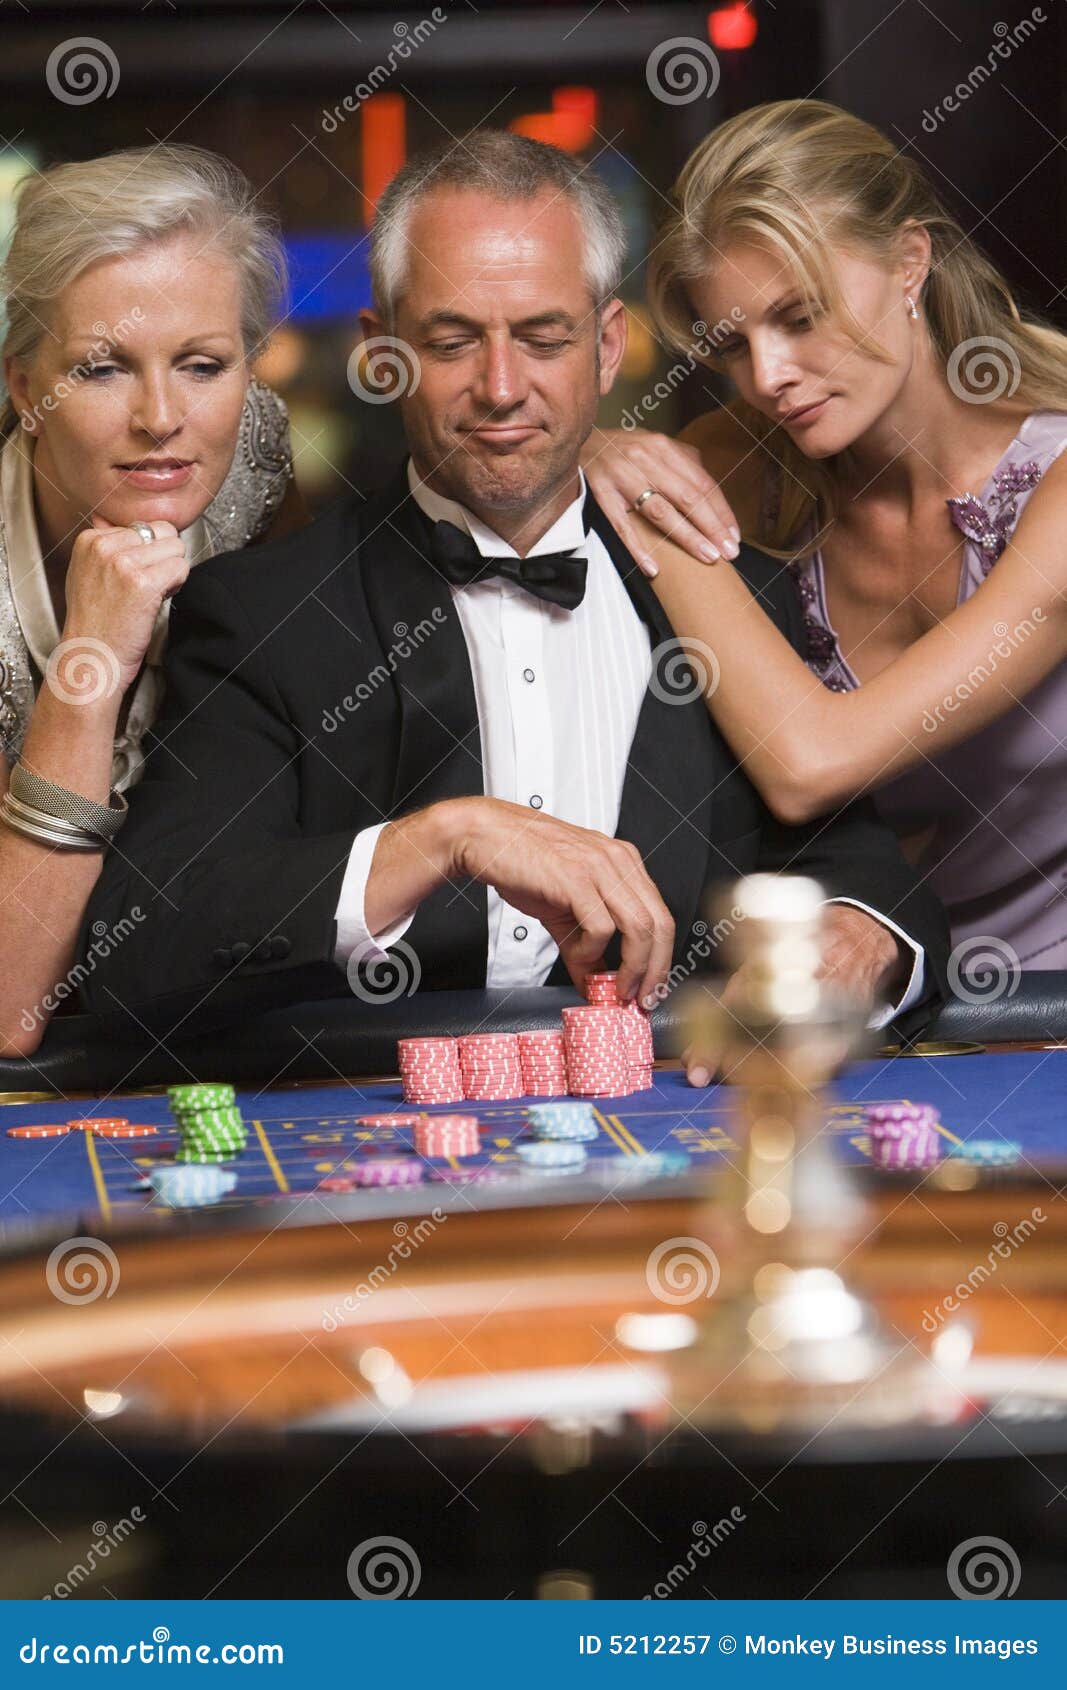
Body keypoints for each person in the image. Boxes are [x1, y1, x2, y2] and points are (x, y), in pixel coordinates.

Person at [78, 131, 950, 1079]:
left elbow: (865, 873)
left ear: (608, 346)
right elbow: (141, 946)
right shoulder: (264, 614)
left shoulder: (727, 588)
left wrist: (863, 937)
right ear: (383, 354)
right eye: (453, 343)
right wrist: (446, 837)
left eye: (543, 339)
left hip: (679, 1137)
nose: (501, 388)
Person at [582, 98, 1067, 970]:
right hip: (866, 1003)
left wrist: (641, 488)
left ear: (910, 261)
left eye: (799, 319)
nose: (767, 378)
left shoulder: (1058, 488)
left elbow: (809, 765)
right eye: (731, 345)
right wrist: (591, 446)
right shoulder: (732, 469)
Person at [0, 144, 300, 1056]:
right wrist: (90, 666)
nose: (162, 416)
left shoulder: (253, 453)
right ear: (24, 387)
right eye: (101, 369)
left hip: (181, 1029)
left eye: (204, 364)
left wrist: (593, 458)